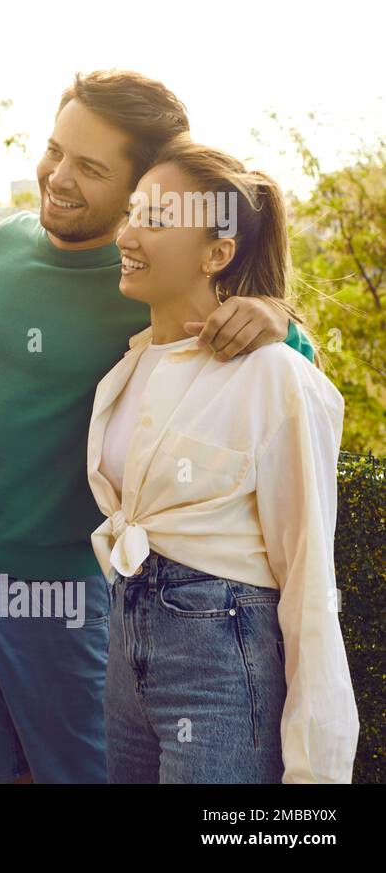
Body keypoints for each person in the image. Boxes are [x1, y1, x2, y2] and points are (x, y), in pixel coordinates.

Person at [0, 69, 316, 784]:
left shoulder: (149, 280)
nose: (57, 177)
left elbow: (286, 377)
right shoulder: (5, 245)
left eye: (90, 168)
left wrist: (276, 319)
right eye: (55, 150)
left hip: (66, 599)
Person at [90, 137, 358, 783]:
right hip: (125, 661)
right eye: (132, 212)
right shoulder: (123, 373)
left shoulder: (273, 376)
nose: (127, 232)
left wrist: (316, 776)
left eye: (155, 218)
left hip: (222, 672)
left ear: (217, 253)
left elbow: (309, 586)